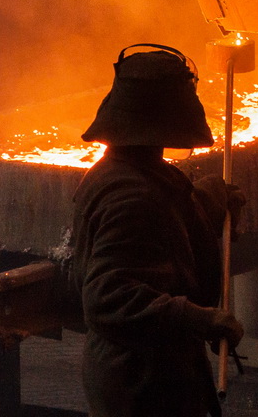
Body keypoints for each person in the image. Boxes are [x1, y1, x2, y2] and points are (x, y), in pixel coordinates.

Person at [69, 44, 245, 417]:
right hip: (140, 384)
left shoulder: (126, 170)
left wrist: (208, 203)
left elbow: (162, 226)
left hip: (148, 372)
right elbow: (107, 295)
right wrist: (200, 319)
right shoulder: (130, 195)